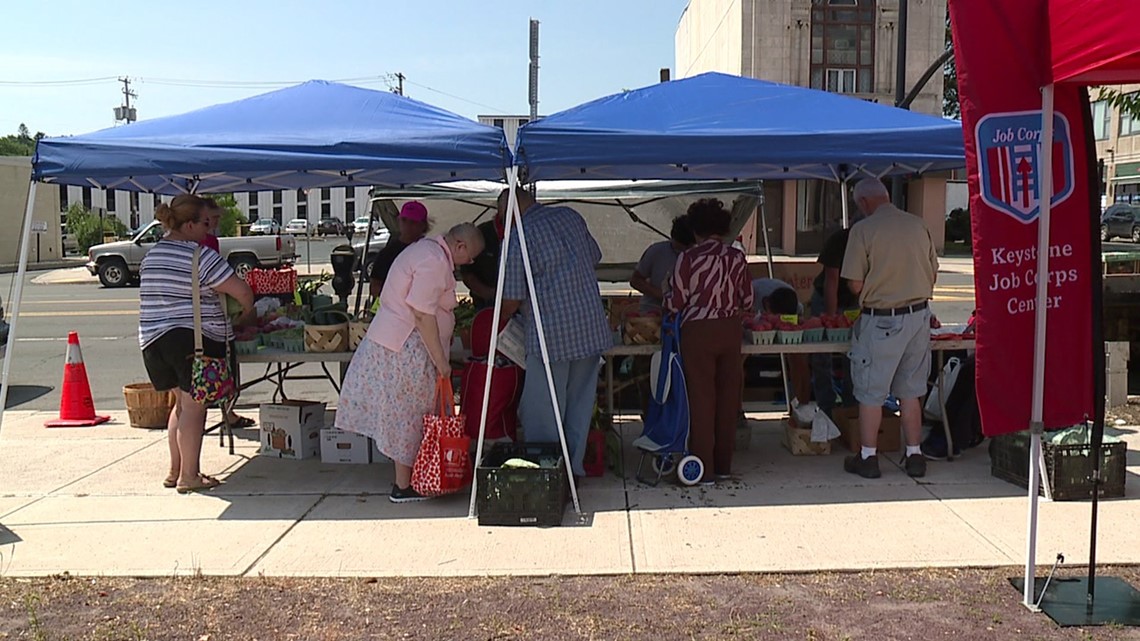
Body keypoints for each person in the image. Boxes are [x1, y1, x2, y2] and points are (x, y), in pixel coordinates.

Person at [336, 224, 484, 503]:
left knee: (403, 414)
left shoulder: (425, 251)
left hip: (395, 342)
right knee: (408, 416)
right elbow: (421, 314)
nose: (470, 263)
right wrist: (442, 363)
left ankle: (409, 480)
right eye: (471, 257)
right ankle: (404, 486)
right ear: (460, 246)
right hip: (406, 347)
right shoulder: (435, 261)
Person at [138, 195, 255, 494]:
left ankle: (175, 469)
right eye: (205, 223)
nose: (209, 229)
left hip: (153, 341)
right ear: (189, 225)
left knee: (180, 405)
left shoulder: (152, 255)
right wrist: (244, 314)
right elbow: (241, 291)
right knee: (194, 407)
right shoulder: (200, 256)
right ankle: (189, 475)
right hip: (191, 342)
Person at [500, 187, 612, 479]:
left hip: (552, 334)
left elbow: (511, 297)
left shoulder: (519, 237)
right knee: (579, 405)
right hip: (589, 326)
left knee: (542, 411)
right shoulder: (570, 216)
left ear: (510, 212)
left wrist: (495, 321)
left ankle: (547, 473)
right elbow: (595, 256)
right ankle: (573, 470)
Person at [841, 178, 939, 479]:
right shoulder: (917, 225)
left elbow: (855, 284)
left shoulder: (863, 230)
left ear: (863, 203)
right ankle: (914, 454)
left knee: (871, 390)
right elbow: (933, 272)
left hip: (882, 318)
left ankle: (868, 457)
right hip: (919, 317)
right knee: (911, 390)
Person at [665, 198, 754, 484]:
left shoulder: (688, 259)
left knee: (701, 399)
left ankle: (703, 469)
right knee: (729, 398)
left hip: (698, 332)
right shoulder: (737, 257)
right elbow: (748, 300)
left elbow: (676, 301)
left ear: (695, 229)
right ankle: (724, 465)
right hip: (730, 329)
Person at [199, 197, 256, 429]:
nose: (216, 222)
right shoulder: (206, 244)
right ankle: (227, 411)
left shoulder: (206, 242)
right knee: (213, 376)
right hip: (210, 320)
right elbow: (229, 284)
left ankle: (179, 465)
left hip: (194, 321)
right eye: (213, 218)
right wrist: (245, 310)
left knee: (187, 400)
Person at [810, 214, 862, 418]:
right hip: (825, 297)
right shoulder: (838, 240)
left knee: (854, 354)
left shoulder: (873, 243)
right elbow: (831, 280)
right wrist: (831, 319)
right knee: (821, 353)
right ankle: (826, 405)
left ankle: (851, 406)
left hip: (855, 300)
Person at [751, 280, 810, 406]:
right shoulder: (752, 295)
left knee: (798, 359)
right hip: (752, 314)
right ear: (767, 305)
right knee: (736, 360)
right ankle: (737, 411)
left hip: (783, 306)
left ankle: (802, 405)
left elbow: (800, 322)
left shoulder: (796, 307)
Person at [630, 216, 695, 312]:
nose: (681, 254)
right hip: (654, 313)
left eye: (685, 250)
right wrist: (663, 295)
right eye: (677, 249)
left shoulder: (701, 257)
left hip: (687, 315)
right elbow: (635, 281)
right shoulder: (656, 251)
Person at [368, 201, 430, 298]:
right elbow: (374, 285)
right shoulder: (387, 253)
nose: (408, 226)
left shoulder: (430, 251)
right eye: (404, 220)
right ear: (398, 221)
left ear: (423, 225)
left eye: (413, 222)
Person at [460, 190, 510, 310]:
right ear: (500, 210)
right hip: (486, 304)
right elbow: (467, 273)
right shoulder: (481, 233)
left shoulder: (526, 232)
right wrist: (490, 294)